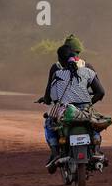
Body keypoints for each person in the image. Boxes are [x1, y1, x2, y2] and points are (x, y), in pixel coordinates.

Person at [39, 35, 106, 169]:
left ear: (61, 58)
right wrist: (88, 103)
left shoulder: (57, 71)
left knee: (49, 124)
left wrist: (47, 99)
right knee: (94, 123)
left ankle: (55, 153)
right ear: (78, 52)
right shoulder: (88, 68)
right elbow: (100, 91)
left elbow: (51, 94)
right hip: (84, 108)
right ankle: (97, 149)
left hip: (65, 110)